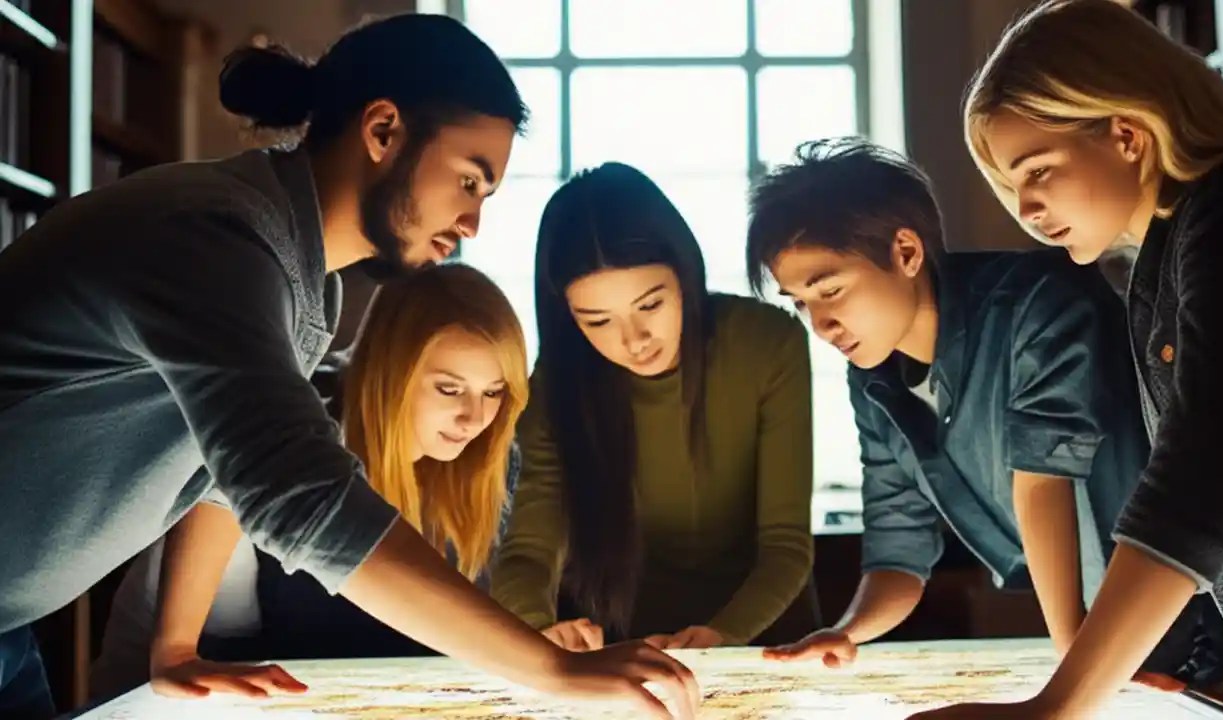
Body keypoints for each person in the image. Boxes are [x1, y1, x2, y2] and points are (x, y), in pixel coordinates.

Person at [0, 14, 697, 720]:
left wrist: (175, 648)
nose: (472, 224)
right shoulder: (216, 239)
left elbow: (222, 471)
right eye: (467, 181)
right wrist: (552, 669)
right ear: (383, 130)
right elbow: (298, 498)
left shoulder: (302, 285)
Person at [913, 1, 1223, 717]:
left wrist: (1056, 708)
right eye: (1010, 184)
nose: (1025, 206)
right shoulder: (1166, 258)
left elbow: (1197, 482)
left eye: (1038, 169)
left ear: (1126, 133)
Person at [746, 137, 1198, 685]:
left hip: (1196, 611)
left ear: (906, 252)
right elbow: (899, 548)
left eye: (831, 290)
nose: (820, 324)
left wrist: (1077, 666)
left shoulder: (1037, 301)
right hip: (1097, 647)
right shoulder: (873, 378)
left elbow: (1042, 481)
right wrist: (848, 631)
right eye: (801, 303)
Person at [91, 263, 527, 698]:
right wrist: (175, 647)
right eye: (449, 389)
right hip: (174, 673)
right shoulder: (297, 432)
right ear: (392, 370)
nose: (475, 418)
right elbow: (219, 503)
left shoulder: (491, 460)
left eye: (494, 391)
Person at [490, 162, 819, 653]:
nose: (634, 340)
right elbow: (529, 551)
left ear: (684, 277)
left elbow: (786, 545)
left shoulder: (767, 342)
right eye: (598, 321)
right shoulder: (558, 384)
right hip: (623, 648)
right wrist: (541, 630)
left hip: (764, 641)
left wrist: (722, 635)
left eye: (650, 305)